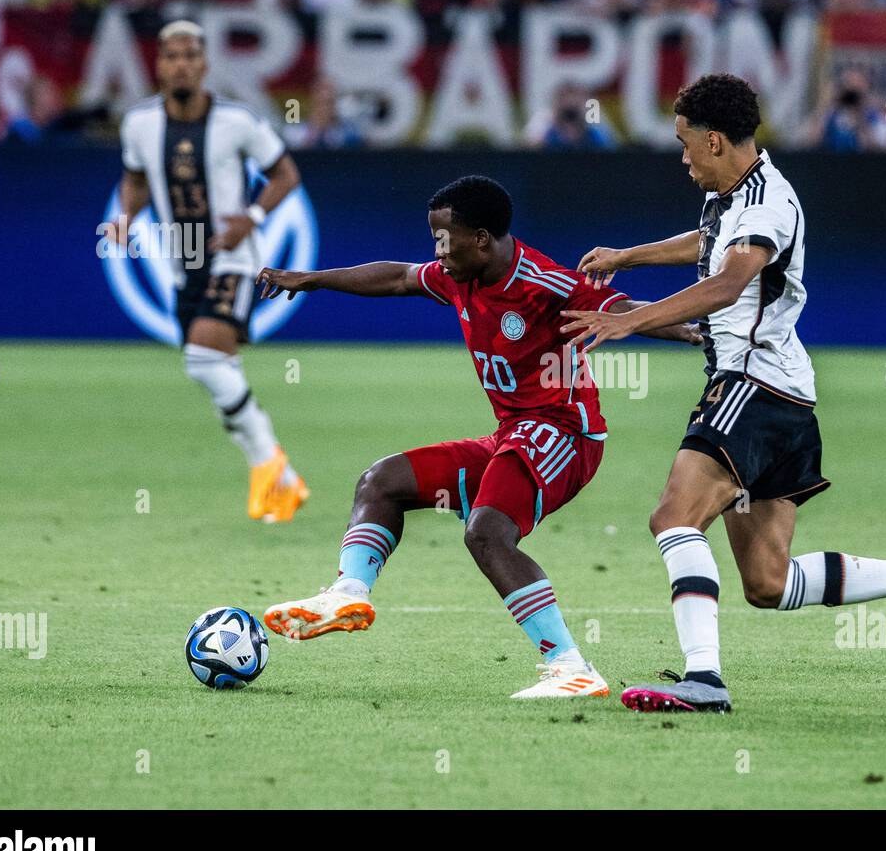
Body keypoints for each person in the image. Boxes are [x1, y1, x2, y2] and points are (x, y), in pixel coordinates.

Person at [563, 73, 886, 713]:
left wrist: (629, 320)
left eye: (685, 142)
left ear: (715, 141)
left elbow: (729, 280)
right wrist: (629, 256)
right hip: (783, 399)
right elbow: (710, 247)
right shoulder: (732, 197)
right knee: (768, 583)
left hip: (752, 387)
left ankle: (704, 681)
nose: (682, 155)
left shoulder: (768, 202)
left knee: (673, 517)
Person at [255, 176, 701, 699]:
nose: (436, 253)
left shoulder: (544, 283)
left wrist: (688, 330)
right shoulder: (458, 275)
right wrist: (310, 279)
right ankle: (347, 592)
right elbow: (398, 277)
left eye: (443, 240)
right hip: (513, 434)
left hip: (566, 434)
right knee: (382, 481)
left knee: (486, 532)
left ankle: (570, 668)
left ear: (482, 239)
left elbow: (622, 309)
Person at [104, 21, 310, 524]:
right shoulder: (139, 125)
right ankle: (283, 483)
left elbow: (286, 174)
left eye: (190, 54)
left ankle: (269, 464)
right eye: (171, 55)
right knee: (220, 372)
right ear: (159, 64)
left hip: (232, 260)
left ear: (204, 64)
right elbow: (134, 180)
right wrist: (125, 216)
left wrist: (253, 218)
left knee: (202, 359)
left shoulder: (237, 122)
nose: (180, 64)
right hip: (182, 265)